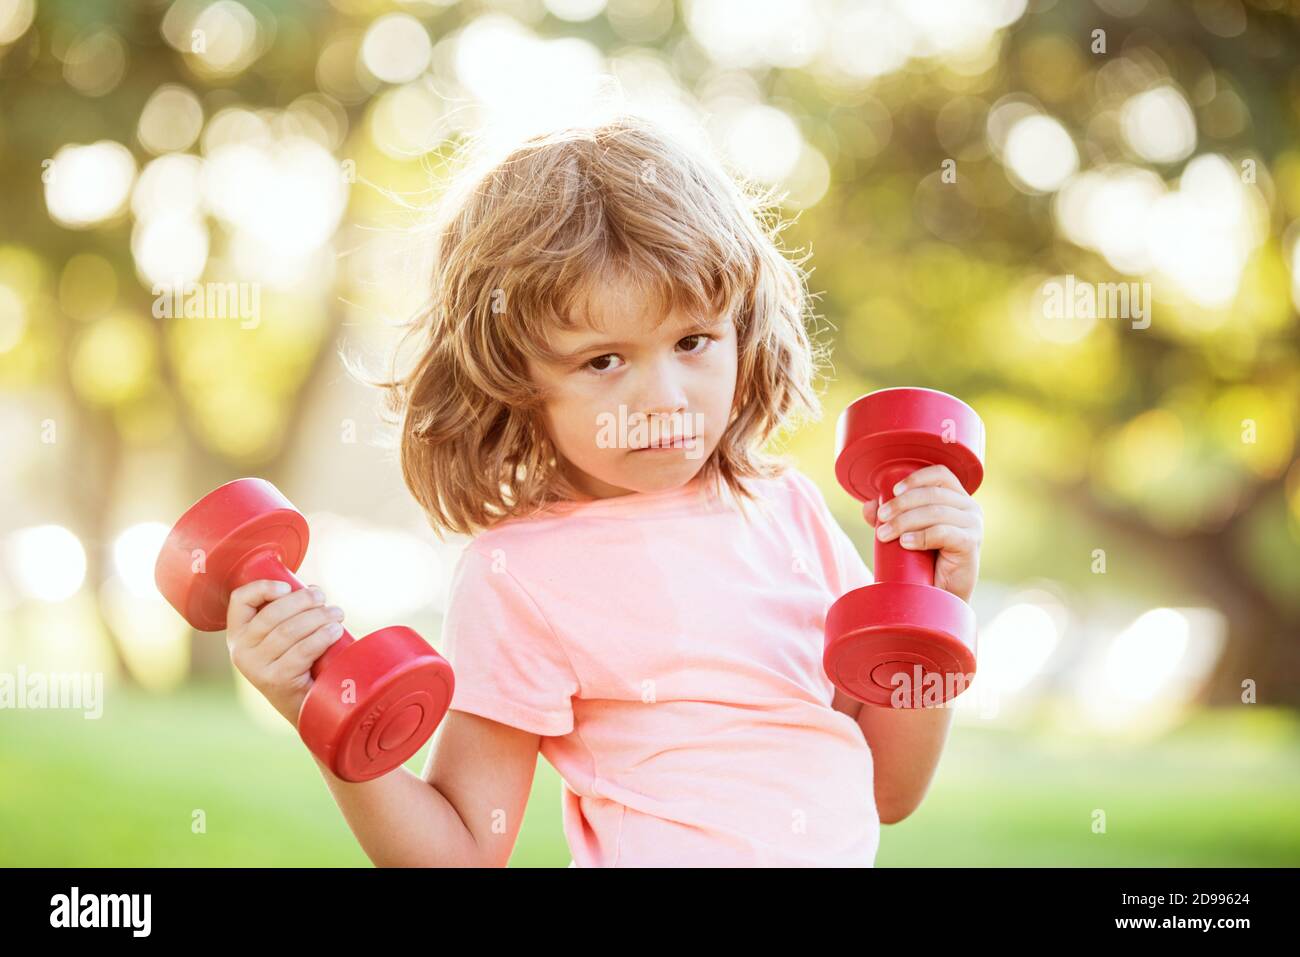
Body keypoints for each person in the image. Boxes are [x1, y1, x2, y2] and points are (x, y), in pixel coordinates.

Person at [223, 113, 984, 867]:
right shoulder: (518, 573)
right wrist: (318, 705)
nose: (666, 398)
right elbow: (459, 850)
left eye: (692, 341)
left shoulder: (787, 514)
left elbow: (886, 787)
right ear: (515, 381)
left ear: (740, 330)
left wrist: (939, 606)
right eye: (603, 361)